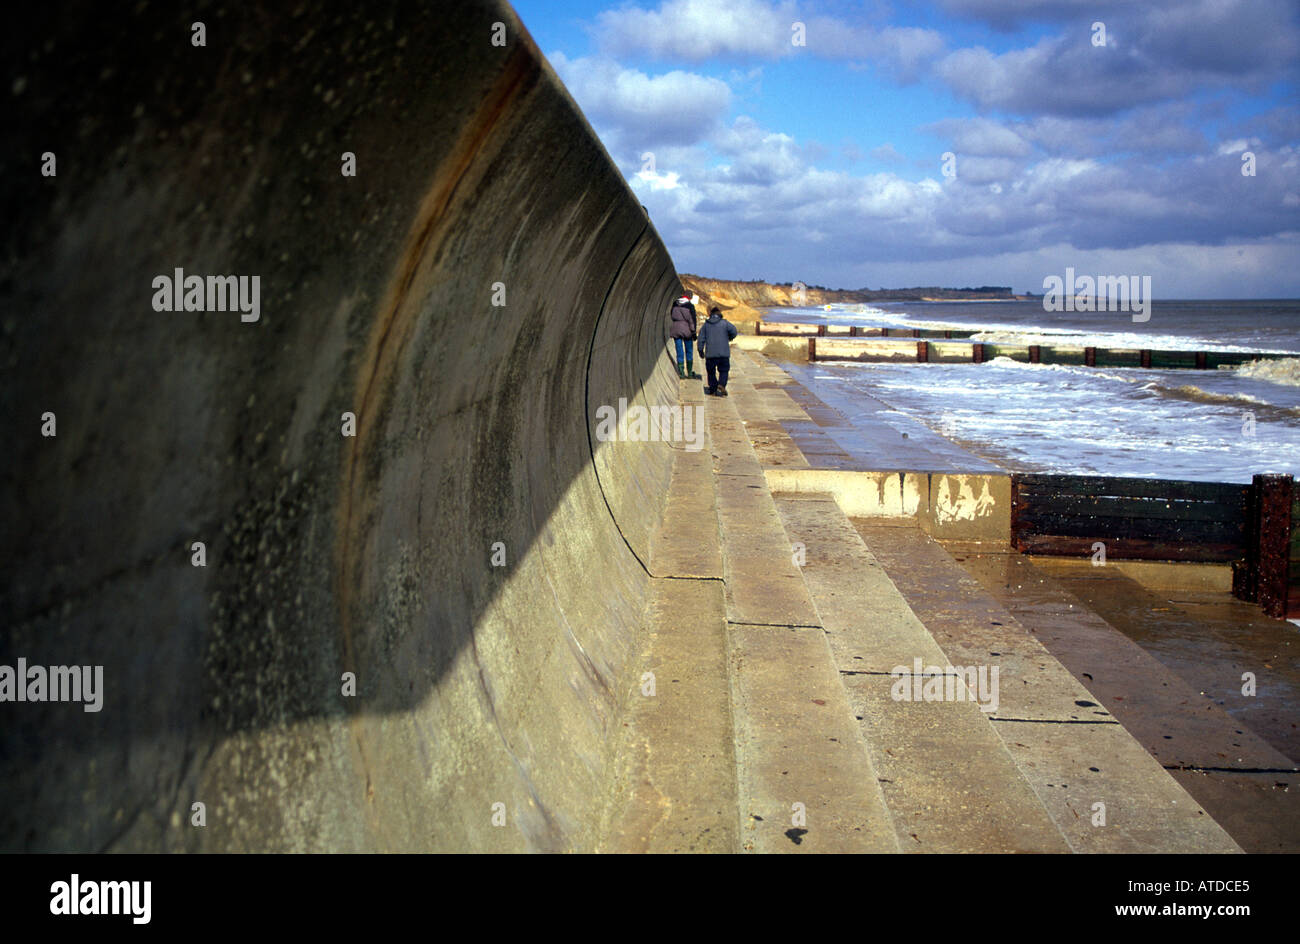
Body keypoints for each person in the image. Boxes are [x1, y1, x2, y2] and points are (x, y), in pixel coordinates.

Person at [696, 306, 737, 396]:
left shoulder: (706, 325)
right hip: (724, 353)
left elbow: (701, 338)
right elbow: (734, 331)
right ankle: (721, 384)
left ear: (710, 314)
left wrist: (700, 350)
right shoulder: (725, 323)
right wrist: (729, 338)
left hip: (710, 354)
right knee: (724, 370)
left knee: (711, 371)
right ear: (719, 314)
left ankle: (713, 388)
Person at [669, 293, 701, 379]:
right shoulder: (689, 306)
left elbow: (671, 315)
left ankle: (681, 372)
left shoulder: (675, 303)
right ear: (689, 297)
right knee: (689, 351)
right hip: (687, 330)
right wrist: (694, 333)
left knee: (679, 351)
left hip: (675, 329)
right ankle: (689, 373)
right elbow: (692, 320)